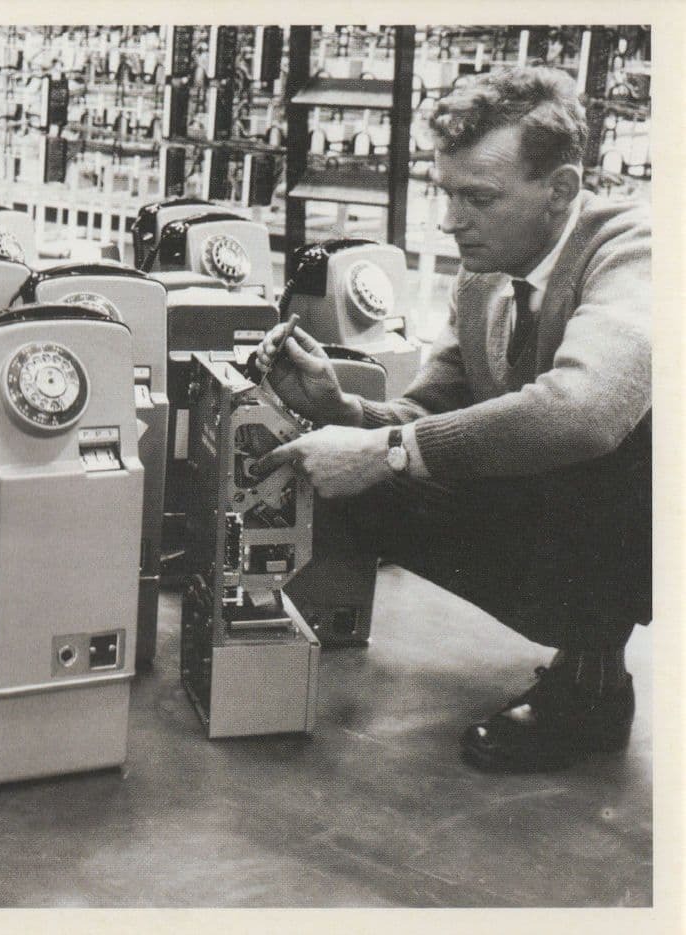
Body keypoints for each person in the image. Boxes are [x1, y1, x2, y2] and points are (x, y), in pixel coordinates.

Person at [252, 66, 651, 772]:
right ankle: (579, 646)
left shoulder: (636, 251)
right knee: (350, 466)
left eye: (479, 198)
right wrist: (337, 407)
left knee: (603, 445)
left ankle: (592, 682)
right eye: (446, 192)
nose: (450, 219)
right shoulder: (486, 267)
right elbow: (432, 409)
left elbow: (586, 414)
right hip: (584, 519)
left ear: (559, 190)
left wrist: (387, 447)